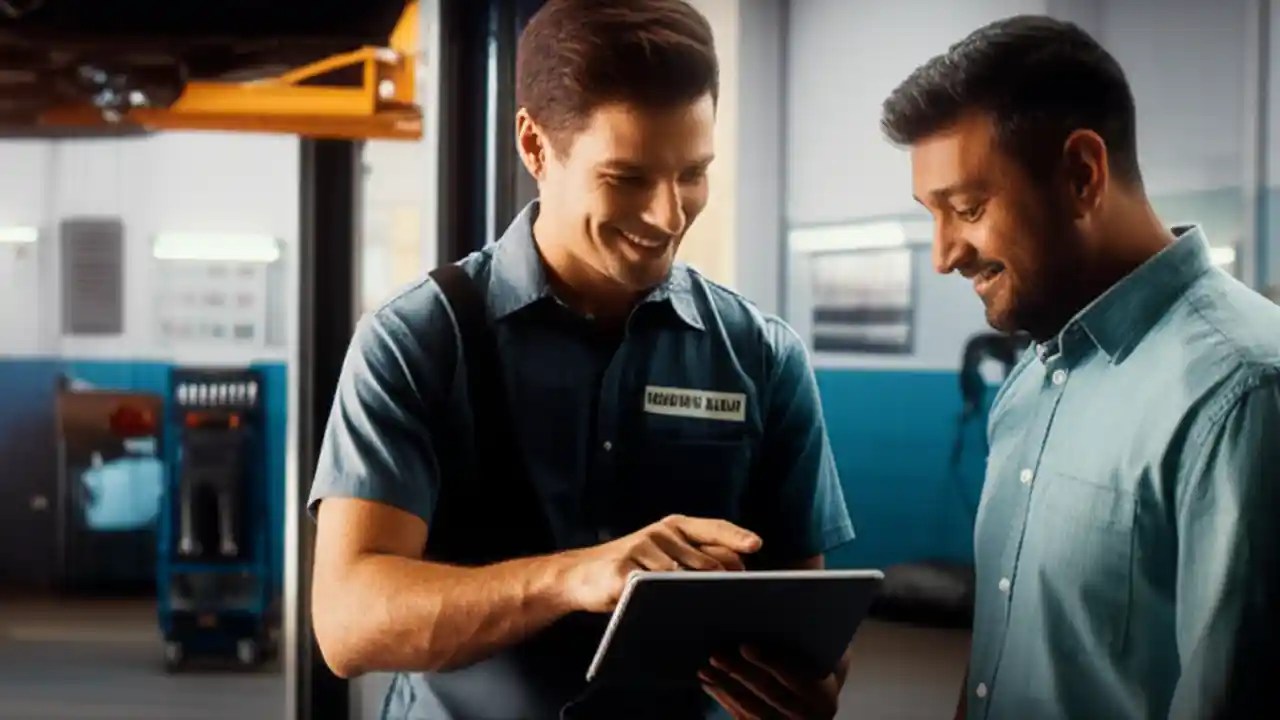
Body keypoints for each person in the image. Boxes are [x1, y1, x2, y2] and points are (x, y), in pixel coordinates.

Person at [307, 1, 856, 718]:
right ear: (535, 146)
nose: (668, 215)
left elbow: (806, 626)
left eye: (693, 173)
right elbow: (347, 624)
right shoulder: (416, 342)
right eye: (627, 178)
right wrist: (573, 578)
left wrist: (807, 684)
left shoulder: (761, 357)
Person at [881, 14, 1280, 720]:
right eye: (930, 215)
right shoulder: (1032, 380)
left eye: (967, 208)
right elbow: (1001, 651)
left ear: (1081, 175)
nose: (943, 255)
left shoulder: (1243, 391)